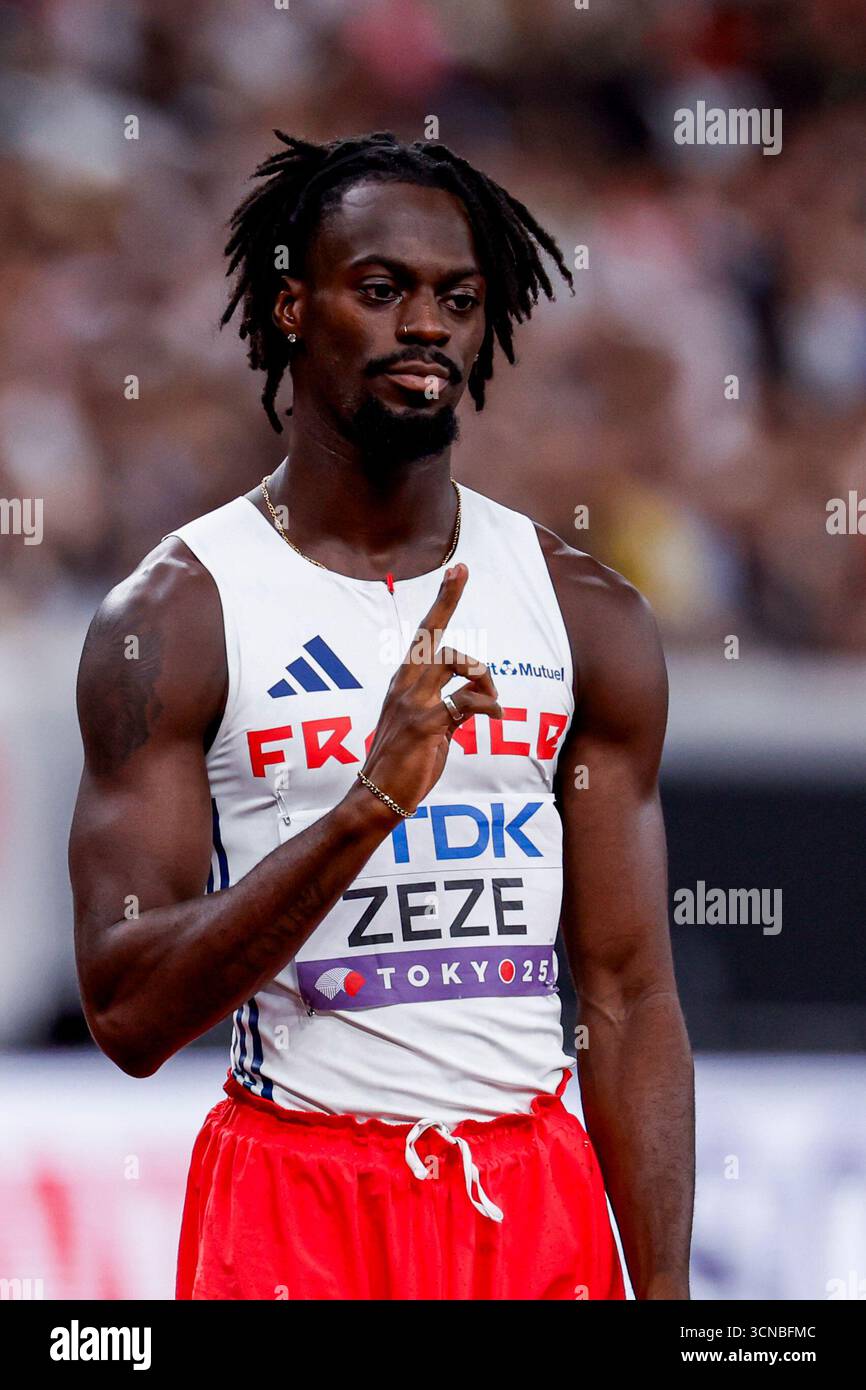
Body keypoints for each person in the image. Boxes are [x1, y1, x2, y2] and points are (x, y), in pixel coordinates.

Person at [69, 131, 694, 1300]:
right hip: (293, 1194)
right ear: (292, 305)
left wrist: (666, 1297)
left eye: (457, 298)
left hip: (528, 1196)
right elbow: (126, 1010)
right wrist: (366, 805)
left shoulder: (584, 612)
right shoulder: (178, 614)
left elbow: (626, 991)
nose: (427, 327)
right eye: (381, 289)